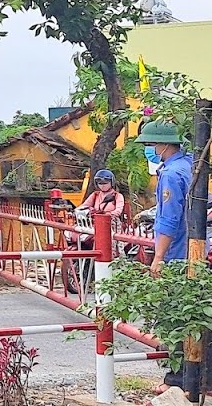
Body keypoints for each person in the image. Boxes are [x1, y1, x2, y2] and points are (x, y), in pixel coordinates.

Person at [134, 120, 193, 394]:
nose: (149, 149)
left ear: (163, 145)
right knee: (195, 315)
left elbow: (169, 219)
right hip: (195, 249)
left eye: (150, 144)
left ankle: (177, 380)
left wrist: (158, 257)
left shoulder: (170, 174)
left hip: (177, 253)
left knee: (175, 316)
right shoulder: (190, 165)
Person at [76, 169, 126, 258]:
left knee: (114, 247)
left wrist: (106, 214)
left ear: (111, 183)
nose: (103, 186)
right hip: (95, 224)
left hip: (112, 225)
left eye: (105, 183)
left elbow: (118, 211)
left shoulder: (117, 196)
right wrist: (79, 211)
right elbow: (83, 206)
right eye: (100, 183)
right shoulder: (95, 195)